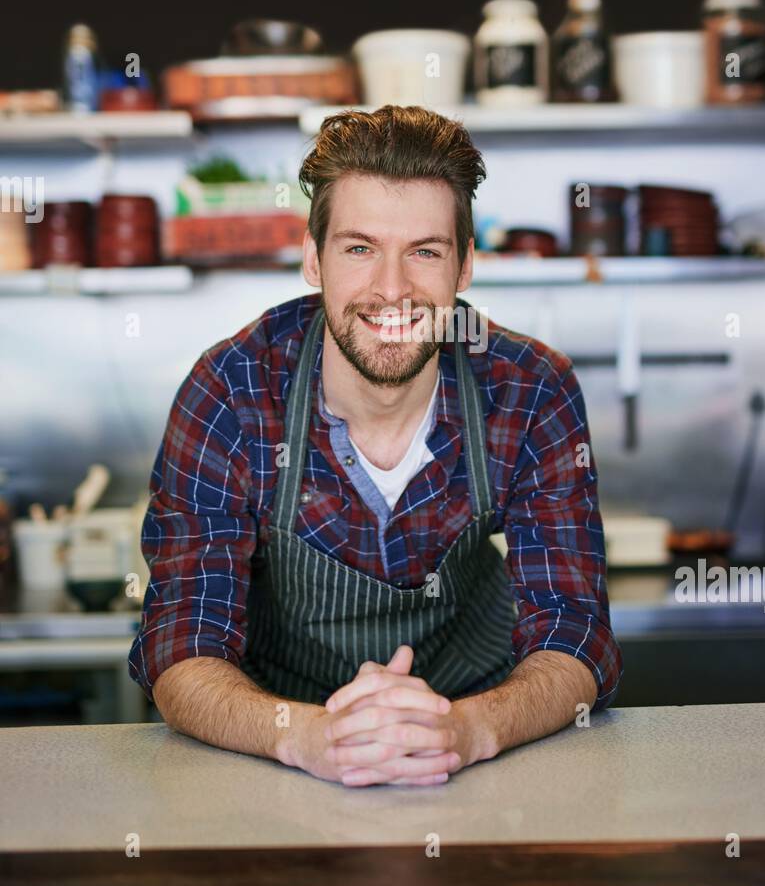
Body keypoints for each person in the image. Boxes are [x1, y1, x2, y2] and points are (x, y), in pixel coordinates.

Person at [129, 104, 622, 786]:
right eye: (359, 249)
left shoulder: (528, 388)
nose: (391, 289)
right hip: (274, 759)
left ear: (465, 267)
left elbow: (574, 630)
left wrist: (466, 729)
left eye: (424, 251)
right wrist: (308, 737)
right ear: (313, 258)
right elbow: (180, 641)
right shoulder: (232, 390)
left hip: (481, 759)